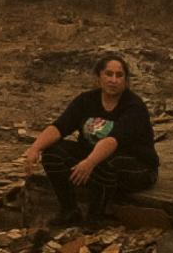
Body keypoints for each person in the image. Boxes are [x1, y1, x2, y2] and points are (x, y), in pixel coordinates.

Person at [24, 52, 157, 225]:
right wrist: (35, 148)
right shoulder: (86, 100)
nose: (113, 80)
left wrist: (89, 162)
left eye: (119, 75)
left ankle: (96, 218)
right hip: (97, 159)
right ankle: (69, 211)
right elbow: (60, 127)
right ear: (99, 77)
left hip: (137, 166)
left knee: (105, 162)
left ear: (125, 80)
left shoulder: (134, 106)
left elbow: (112, 140)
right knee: (52, 153)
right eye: (109, 74)